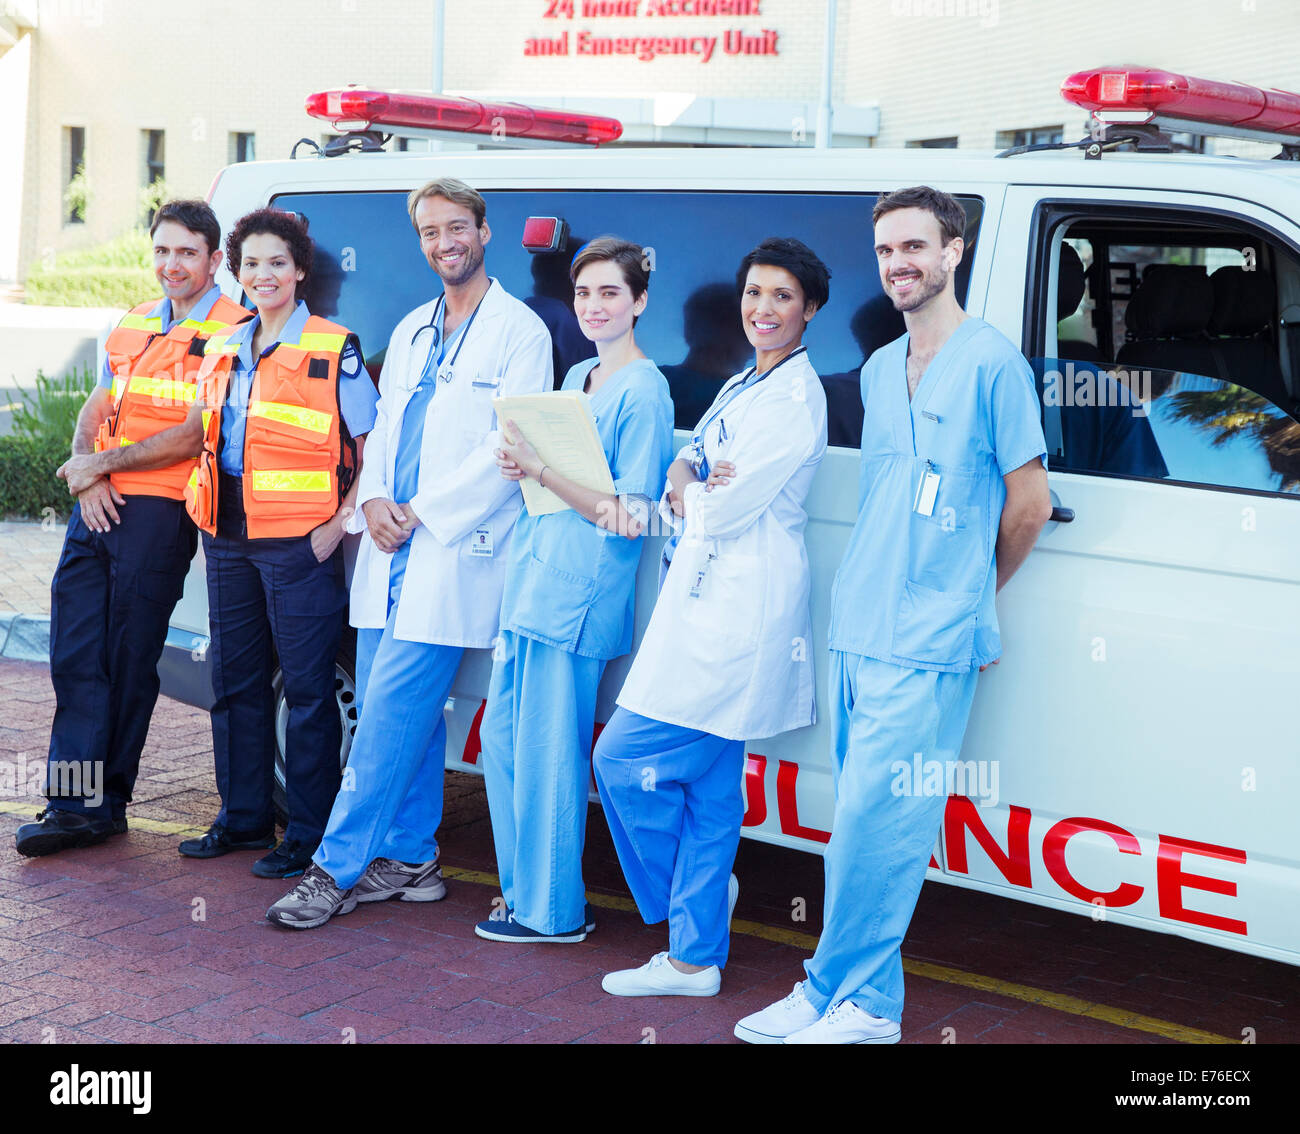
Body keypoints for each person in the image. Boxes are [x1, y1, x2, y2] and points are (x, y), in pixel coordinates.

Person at [735, 186, 1051, 1044]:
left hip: (930, 637)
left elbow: (1028, 502)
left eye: (915, 247)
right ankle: (842, 990)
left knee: (882, 824)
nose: (899, 265)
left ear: (954, 252)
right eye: (885, 253)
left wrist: (969, 599)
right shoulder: (878, 370)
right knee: (856, 825)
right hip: (860, 625)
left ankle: (858, 1001)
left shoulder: (994, 364)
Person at [264, 178, 553, 929]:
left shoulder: (522, 333)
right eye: (429, 231)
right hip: (392, 549)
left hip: (456, 549)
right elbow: (384, 433)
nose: (443, 242)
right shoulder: (415, 328)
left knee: (386, 721)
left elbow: (509, 450)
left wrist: (421, 512)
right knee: (415, 721)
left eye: (456, 227)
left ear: (484, 232)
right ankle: (412, 858)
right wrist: (373, 503)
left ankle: (333, 868)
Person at [592, 237, 830, 995]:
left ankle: (689, 909)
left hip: (739, 612)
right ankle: (696, 956)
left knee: (622, 759)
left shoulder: (795, 400)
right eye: (755, 293)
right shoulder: (745, 383)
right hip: (705, 599)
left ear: (811, 310)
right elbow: (689, 460)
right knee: (712, 791)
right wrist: (688, 472)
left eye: (783, 297)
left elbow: (720, 513)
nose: (764, 308)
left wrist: (693, 488)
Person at [15, 200, 251, 857]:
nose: (171, 265)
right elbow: (98, 403)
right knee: (76, 655)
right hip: (98, 503)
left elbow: (194, 432)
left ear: (213, 261)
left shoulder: (234, 331)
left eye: (186, 253)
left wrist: (102, 466)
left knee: (125, 657)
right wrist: (88, 477)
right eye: (162, 251)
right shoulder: (134, 322)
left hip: (160, 511)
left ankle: (100, 805)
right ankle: (73, 805)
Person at [473, 236, 675, 944]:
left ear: (640, 302)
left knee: (551, 754)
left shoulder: (644, 391)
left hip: (580, 595)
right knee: (503, 741)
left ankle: (553, 911)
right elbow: (555, 480)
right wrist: (519, 467)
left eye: (610, 293)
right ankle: (523, 891)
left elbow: (633, 515)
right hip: (535, 585)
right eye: (583, 293)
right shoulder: (579, 374)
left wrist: (544, 469)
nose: (593, 306)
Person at [176, 208, 377, 880]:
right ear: (239, 271)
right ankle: (242, 819)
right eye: (252, 264)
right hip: (227, 532)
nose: (264, 275)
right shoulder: (226, 342)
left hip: (298, 542)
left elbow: (374, 445)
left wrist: (340, 523)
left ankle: (308, 836)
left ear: (299, 271)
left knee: (312, 691)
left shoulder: (331, 346)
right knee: (234, 680)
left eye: (277, 264)